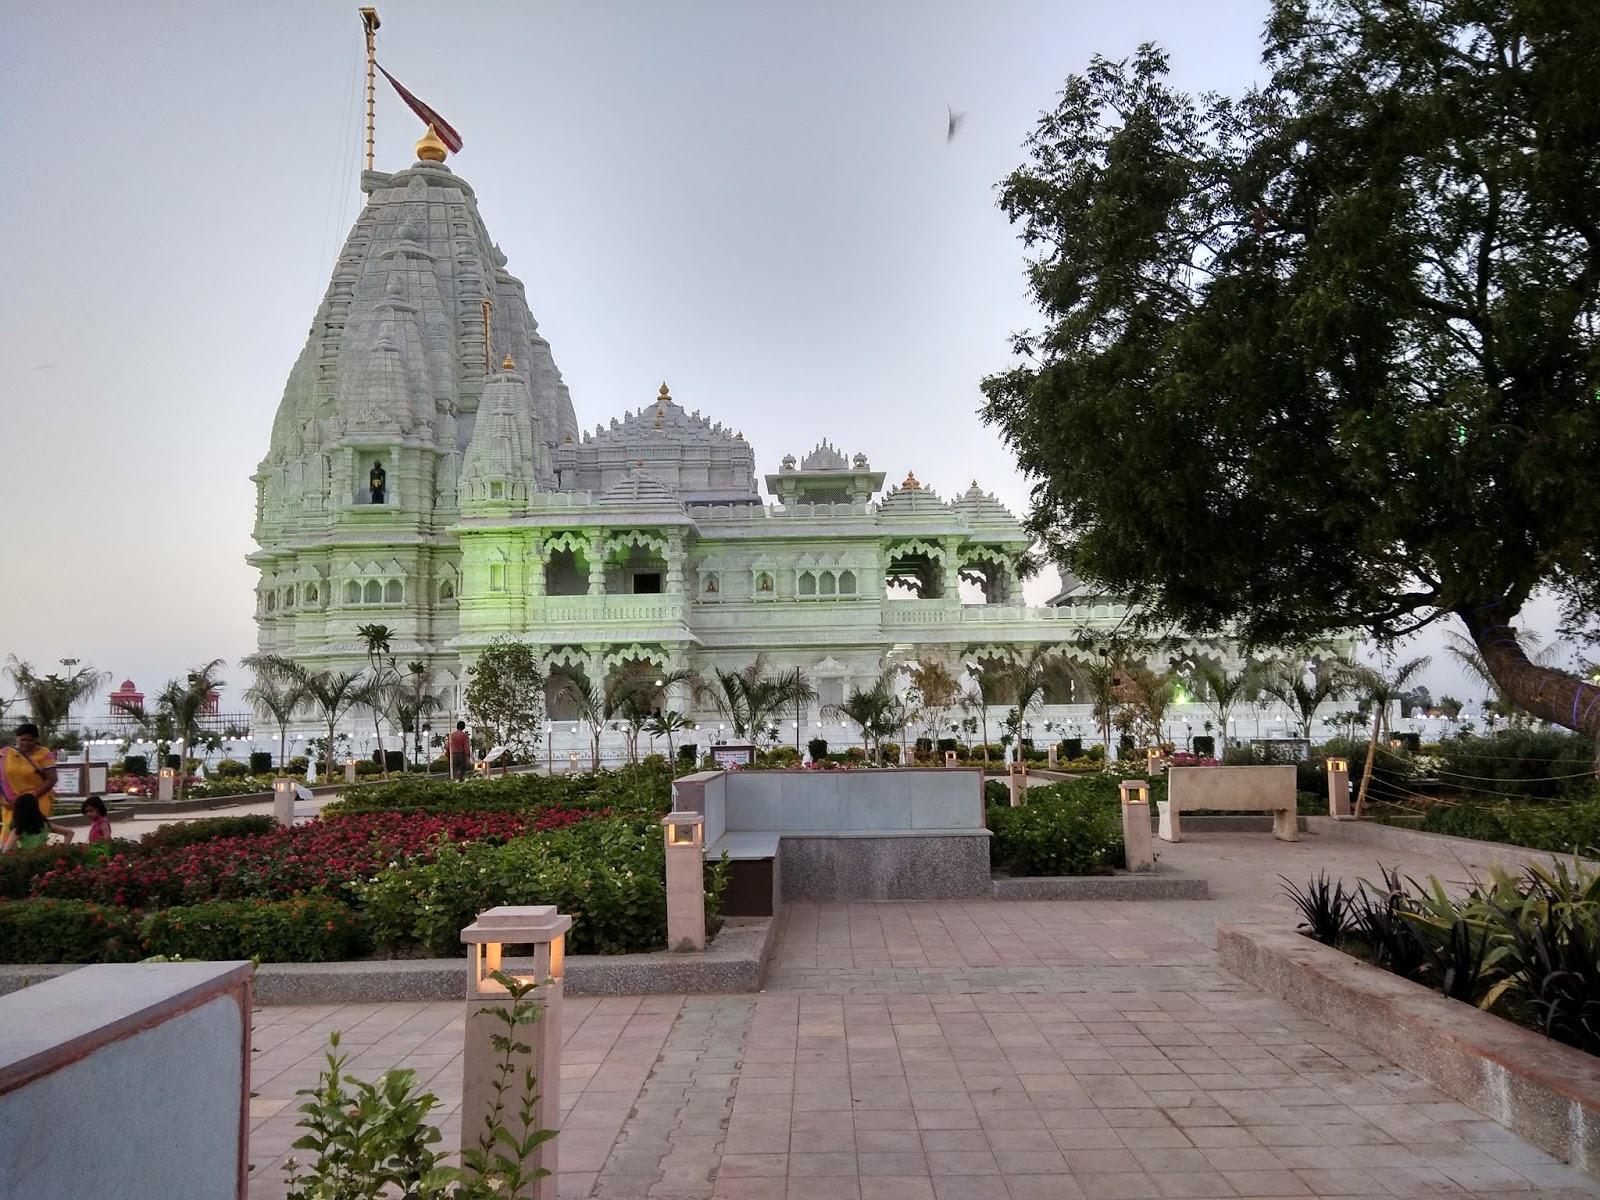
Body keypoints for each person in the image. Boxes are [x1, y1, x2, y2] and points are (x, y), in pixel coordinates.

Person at [2, 723, 58, 842]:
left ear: (36, 739)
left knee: (33, 834)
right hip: (11, 800)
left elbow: (52, 779)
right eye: (22, 739)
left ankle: (33, 858)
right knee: (11, 833)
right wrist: (1, 798)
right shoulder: (5, 753)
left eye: (30, 740)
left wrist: (31, 797)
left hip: (37, 800)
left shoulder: (44, 754)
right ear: (16, 738)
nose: (26, 743)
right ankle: (8, 857)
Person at [1, 793, 75, 854]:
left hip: (26, 861)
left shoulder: (19, 829)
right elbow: (70, 832)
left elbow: (7, 850)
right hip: (43, 858)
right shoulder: (44, 825)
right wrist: (63, 850)